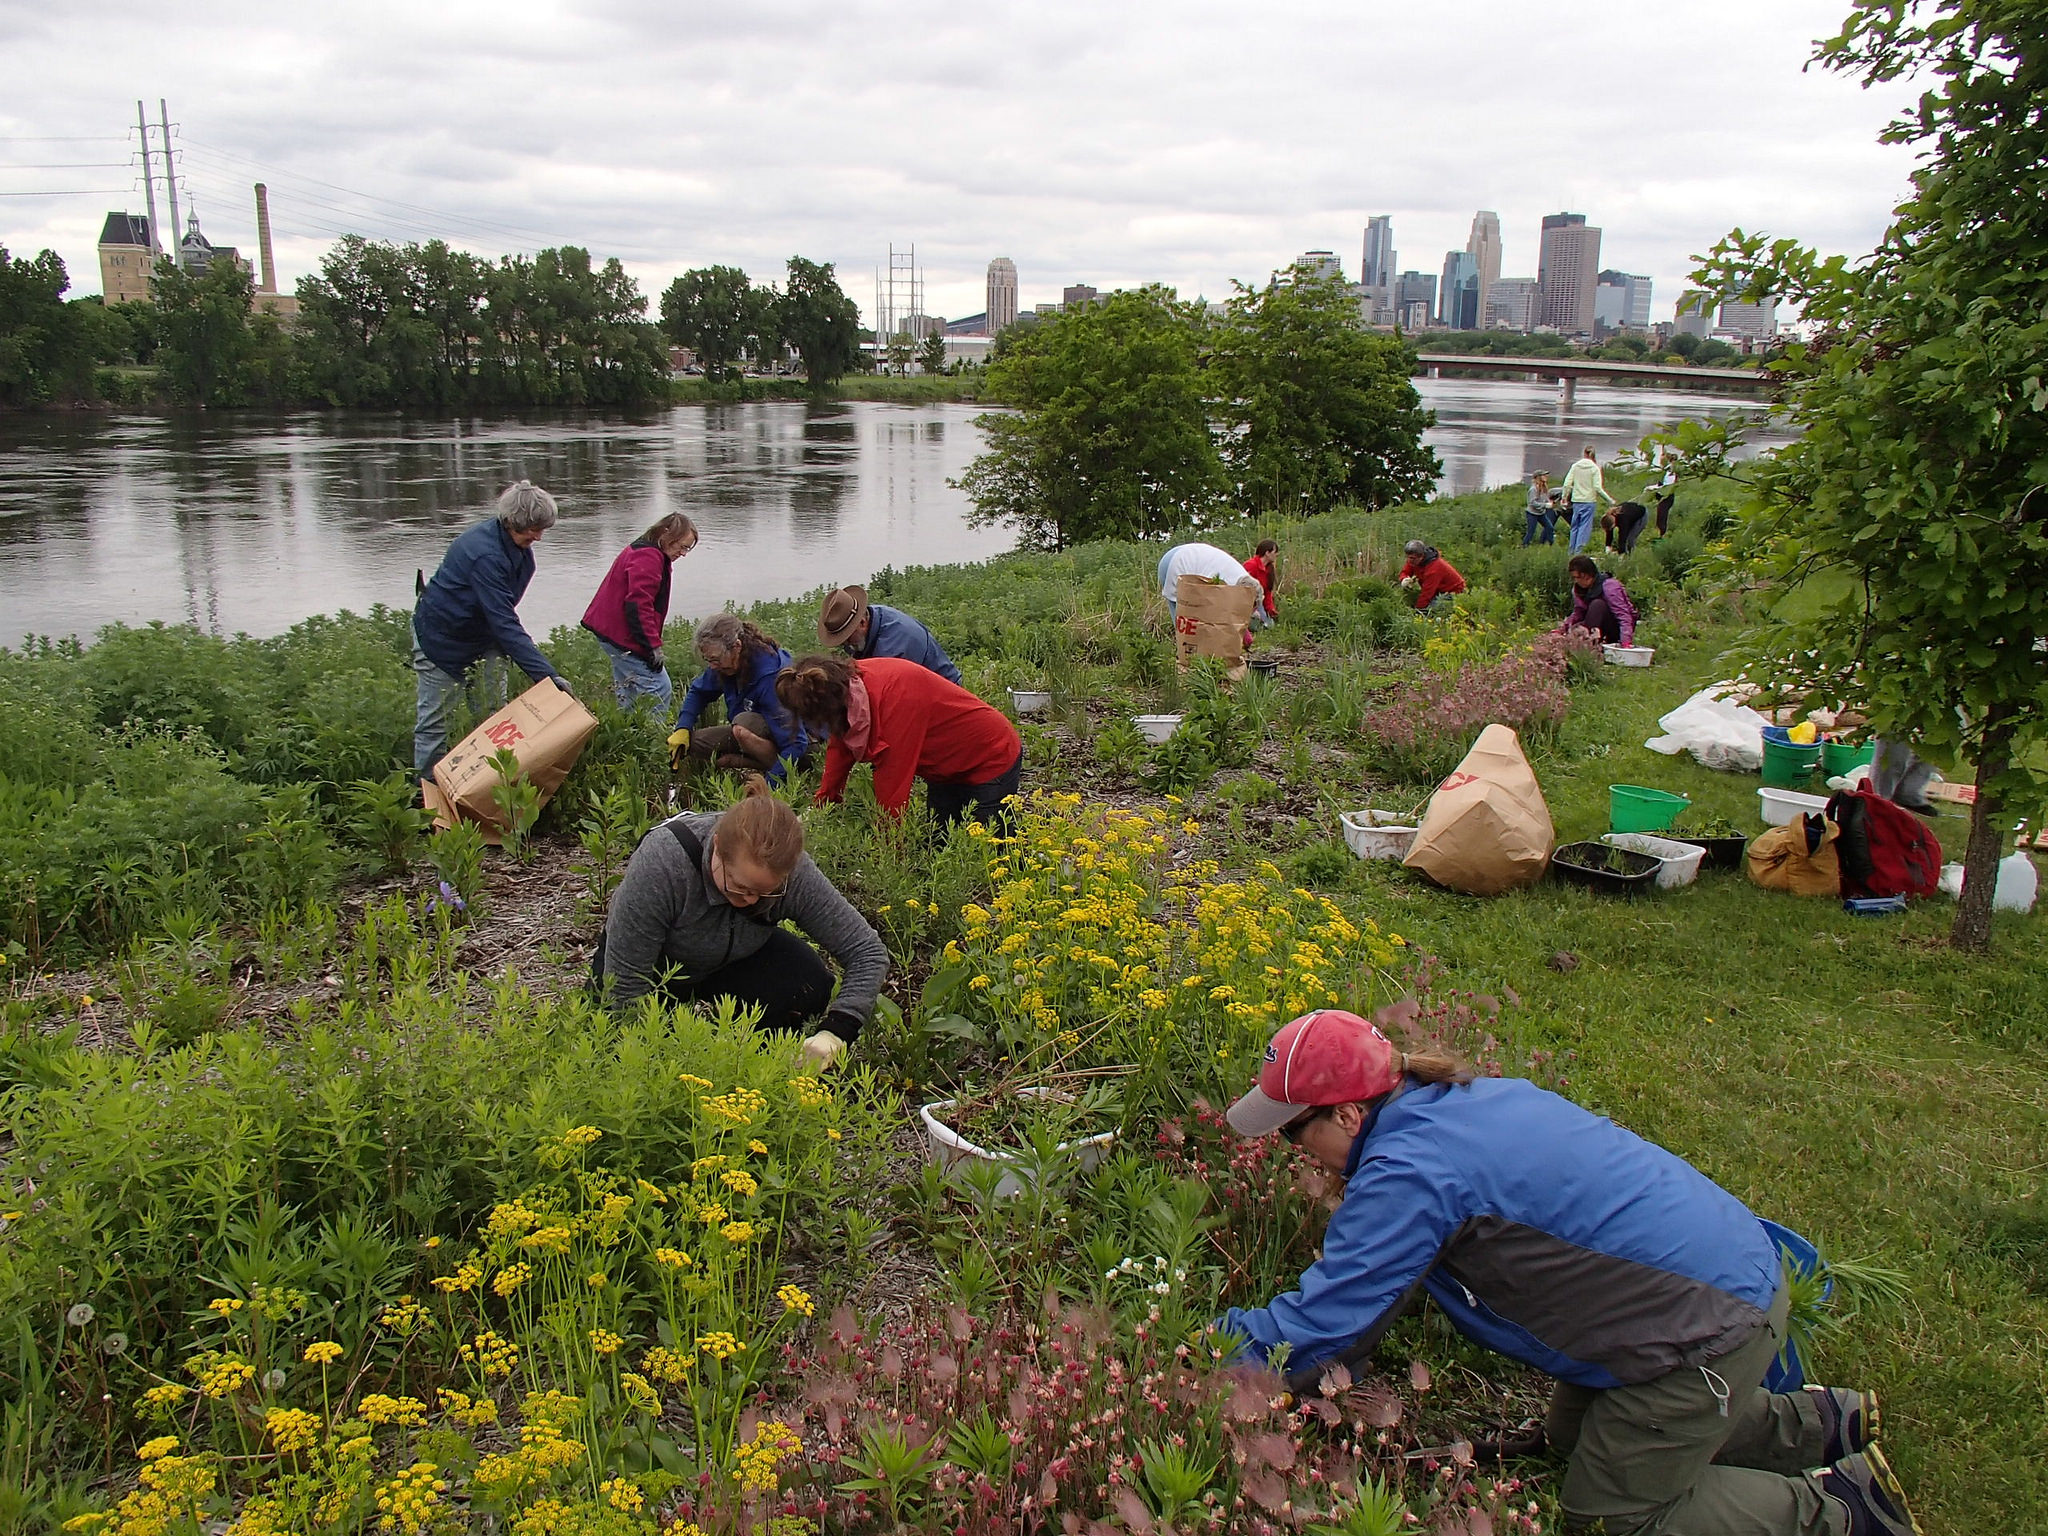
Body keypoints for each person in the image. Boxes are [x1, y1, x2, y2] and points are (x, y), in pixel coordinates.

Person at [1217, 1009, 1916, 1536]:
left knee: (1612, 1514)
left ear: (1344, 1112)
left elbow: (1325, 1326)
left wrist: (1207, 1352)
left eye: (1293, 1131)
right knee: (1576, 1440)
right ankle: (1825, 1423)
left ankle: (1841, 1510)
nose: (1293, 1150)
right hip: (1731, 1273)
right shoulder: (1455, 1102)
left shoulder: (1410, 1173)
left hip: (1707, 1325)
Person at [594, 782, 885, 1070]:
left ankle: (761, 1065)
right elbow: (626, 984)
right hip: (655, 967)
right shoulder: (664, 862)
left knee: (807, 981)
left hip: (730, 960)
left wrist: (838, 1030)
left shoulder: (793, 875)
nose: (750, 899)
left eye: (765, 892)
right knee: (608, 1042)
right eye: (739, 886)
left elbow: (866, 951)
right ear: (717, 847)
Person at [411, 480, 571, 779]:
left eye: (542, 528)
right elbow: (503, 621)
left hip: (484, 639)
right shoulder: (485, 554)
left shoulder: (516, 548)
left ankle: (485, 787)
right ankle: (427, 801)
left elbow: (501, 616)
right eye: (532, 528)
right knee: (435, 725)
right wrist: (547, 677)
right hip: (442, 641)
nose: (538, 536)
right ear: (511, 521)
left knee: (494, 721)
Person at [776, 653, 1022, 825]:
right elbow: (840, 747)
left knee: (993, 851)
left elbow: (892, 796)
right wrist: (815, 814)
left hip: (990, 756)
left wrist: (886, 863)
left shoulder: (896, 698)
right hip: (944, 770)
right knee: (940, 844)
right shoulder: (845, 687)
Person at [668, 615, 808, 786]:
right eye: (708, 660)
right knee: (696, 743)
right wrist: (683, 727)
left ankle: (784, 773)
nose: (712, 666)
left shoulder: (770, 678)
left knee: (743, 724)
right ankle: (758, 763)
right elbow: (699, 691)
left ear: (736, 647)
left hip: (800, 747)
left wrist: (767, 787)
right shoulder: (725, 664)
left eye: (715, 659)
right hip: (758, 736)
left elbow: (796, 744)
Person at [581, 512, 699, 711]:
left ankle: (629, 732)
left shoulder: (646, 551)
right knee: (659, 686)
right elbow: (638, 605)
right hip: (620, 634)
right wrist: (652, 646)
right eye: (682, 546)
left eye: (688, 548)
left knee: (628, 689)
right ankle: (653, 736)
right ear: (666, 534)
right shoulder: (648, 556)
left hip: (612, 631)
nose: (683, 553)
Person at [817, 585, 962, 684]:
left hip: (944, 695)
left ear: (861, 622)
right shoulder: (873, 615)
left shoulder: (895, 648)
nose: (846, 646)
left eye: (847, 637)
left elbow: (891, 697)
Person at [1157, 541, 1271, 628]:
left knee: (1188, 623)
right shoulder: (1229, 587)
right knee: (1186, 624)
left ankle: (1187, 652)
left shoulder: (1242, 577)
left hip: (1183, 552)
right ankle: (1187, 654)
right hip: (1179, 563)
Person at [1559, 554, 1638, 645]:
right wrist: (1563, 628)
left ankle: (1590, 643)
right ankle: (1587, 642)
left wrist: (1626, 641)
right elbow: (1578, 612)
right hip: (1595, 626)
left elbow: (1623, 616)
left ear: (1586, 575)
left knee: (1597, 605)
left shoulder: (1609, 586)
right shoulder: (1579, 590)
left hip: (1614, 629)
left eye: (1577, 577)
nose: (1576, 581)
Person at [1558, 446, 1617, 553]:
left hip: (1576, 501)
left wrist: (1564, 498)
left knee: (1574, 526)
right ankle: (1579, 552)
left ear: (1584, 453)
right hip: (1589, 502)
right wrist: (1610, 500)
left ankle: (1571, 551)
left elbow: (1567, 484)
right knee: (1584, 527)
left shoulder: (1575, 466)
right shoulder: (1594, 468)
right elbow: (1598, 488)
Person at [1397, 540, 1466, 615]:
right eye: (1408, 557)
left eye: (1412, 558)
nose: (1409, 561)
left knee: (1431, 611)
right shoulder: (1414, 561)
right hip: (1437, 591)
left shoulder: (1434, 568)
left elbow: (1427, 593)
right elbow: (1405, 572)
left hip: (1453, 592)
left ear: (1421, 556)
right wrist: (1404, 579)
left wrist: (1417, 612)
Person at [1242, 539, 1281, 620]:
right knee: (1258, 622)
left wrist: (1271, 610)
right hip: (1247, 603)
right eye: (1275, 552)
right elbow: (1242, 588)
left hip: (1259, 602)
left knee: (1269, 625)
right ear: (1267, 553)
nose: (1277, 554)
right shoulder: (1251, 565)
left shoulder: (1269, 569)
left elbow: (1267, 592)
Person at [1523, 473, 1558, 547]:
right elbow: (1532, 503)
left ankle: (1551, 545)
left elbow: (1545, 499)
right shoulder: (1533, 489)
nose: (1546, 476)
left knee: (1550, 527)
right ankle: (1524, 546)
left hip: (1541, 513)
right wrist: (1545, 505)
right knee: (1531, 532)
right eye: (1543, 475)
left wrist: (1550, 503)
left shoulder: (1544, 487)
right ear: (1538, 477)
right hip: (1532, 513)